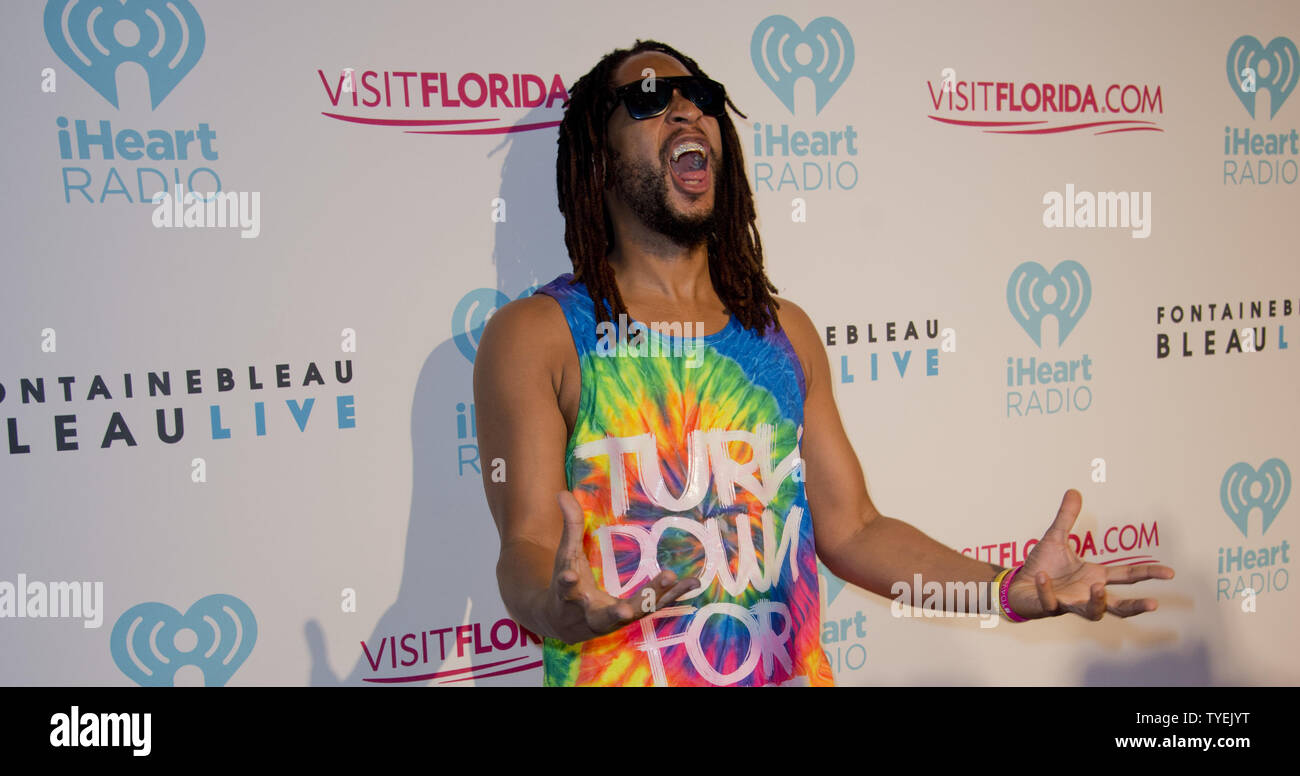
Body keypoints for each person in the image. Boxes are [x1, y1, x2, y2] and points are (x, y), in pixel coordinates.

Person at [473, 40, 1175, 686]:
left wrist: (1003, 592)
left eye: (703, 95)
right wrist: (558, 610)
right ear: (598, 152)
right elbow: (528, 546)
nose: (687, 109)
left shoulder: (783, 331)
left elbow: (855, 531)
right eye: (652, 96)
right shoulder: (539, 336)